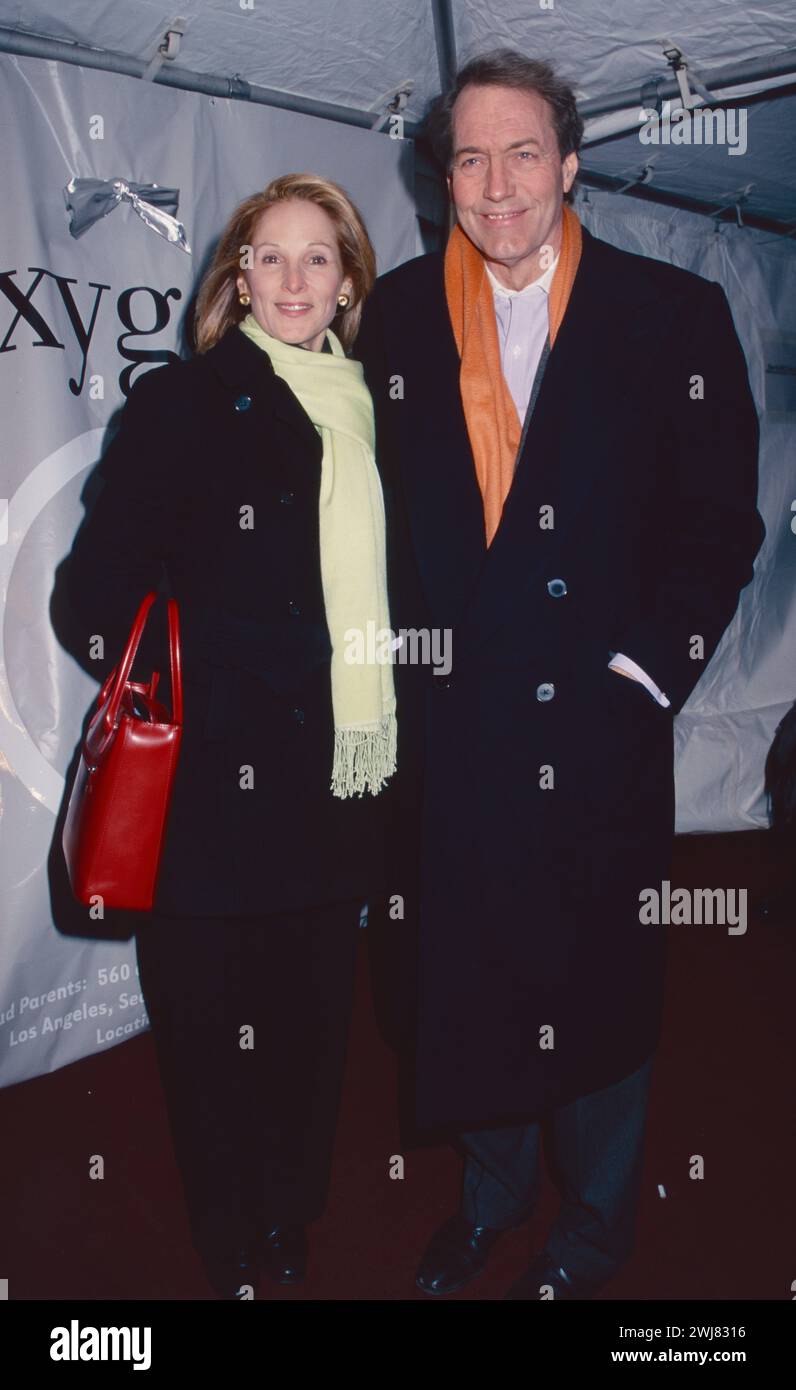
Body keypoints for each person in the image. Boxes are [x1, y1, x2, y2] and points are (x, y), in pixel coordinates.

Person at [356, 50, 765, 1299]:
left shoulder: (671, 317)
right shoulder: (404, 312)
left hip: (595, 719)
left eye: (521, 151)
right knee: (471, 979)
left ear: (571, 161)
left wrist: (646, 675)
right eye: (469, 158)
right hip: (462, 724)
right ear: (444, 178)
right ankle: (489, 1200)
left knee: (595, 986)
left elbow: (719, 523)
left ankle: (591, 1232)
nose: (496, 182)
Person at [58, 174, 396, 1299]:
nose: (293, 280)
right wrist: (207, 683)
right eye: (270, 256)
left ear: (347, 280)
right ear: (235, 275)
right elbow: (88, 599)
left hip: (337, 791)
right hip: (207, 797)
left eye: (317, 258)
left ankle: (288, 1219)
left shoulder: (371, 410)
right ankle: (228, 1240)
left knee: (309, 1029)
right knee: (210, 1036)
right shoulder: (183, 404)